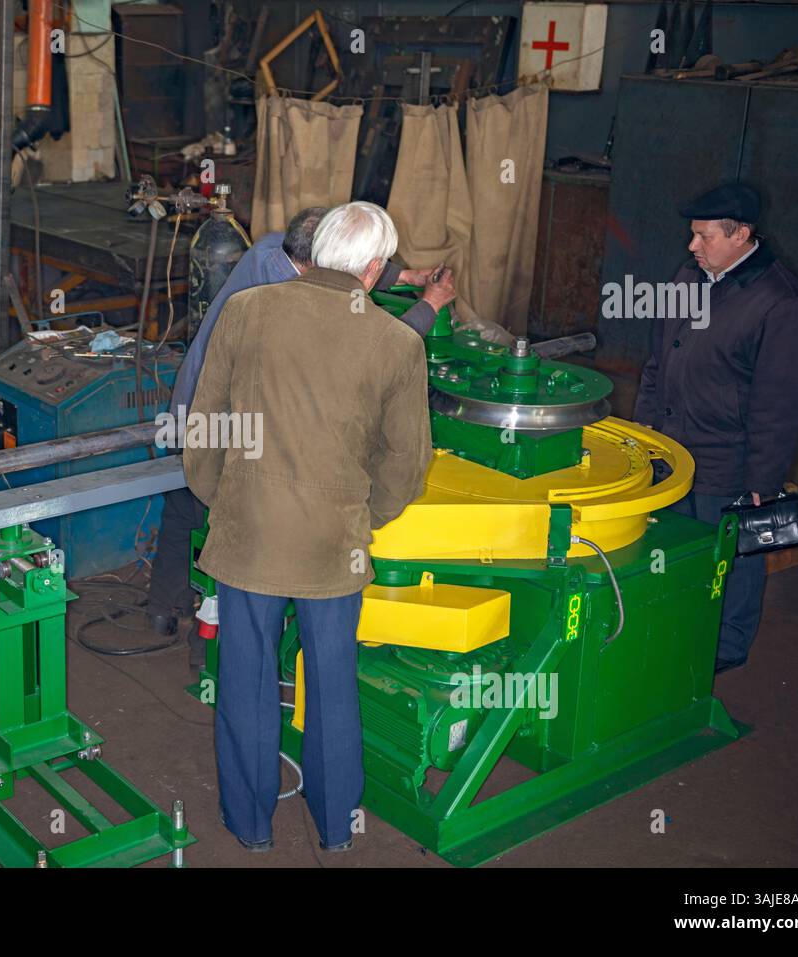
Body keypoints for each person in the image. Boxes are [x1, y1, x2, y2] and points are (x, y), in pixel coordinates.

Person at [184, 201, 430, 851]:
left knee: (246, 680)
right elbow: (407, 465)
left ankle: (250, 825)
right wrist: (360, 515)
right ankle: (336, 828)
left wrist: (223, 499)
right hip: (333, 545)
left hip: (248, 534)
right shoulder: (398, 342)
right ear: (374, 269)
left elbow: (205, 425)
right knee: (331, 686)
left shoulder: (246, 311)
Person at [147, 206, 457, 670]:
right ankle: (190, 633)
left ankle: (166, 611)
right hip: (259, 464)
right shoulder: (273, 289)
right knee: (329, 676)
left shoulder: (272, 249)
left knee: (242, 664)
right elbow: (364, 354)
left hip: (233, 469)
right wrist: (428, 306)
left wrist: (405, 275)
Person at [634, 183, 798, 673]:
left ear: (742, 236)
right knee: (676, 546)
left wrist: (764, 479)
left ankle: (726, 649)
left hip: (728, 460)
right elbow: (658, 361)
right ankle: (681, 627)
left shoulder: (782, 304)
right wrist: (644, 433)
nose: (693, 246)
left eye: (705, 237)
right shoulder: (688, 277)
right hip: (673, 450)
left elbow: (779, 406)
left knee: (733, 557)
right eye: (692, 236)